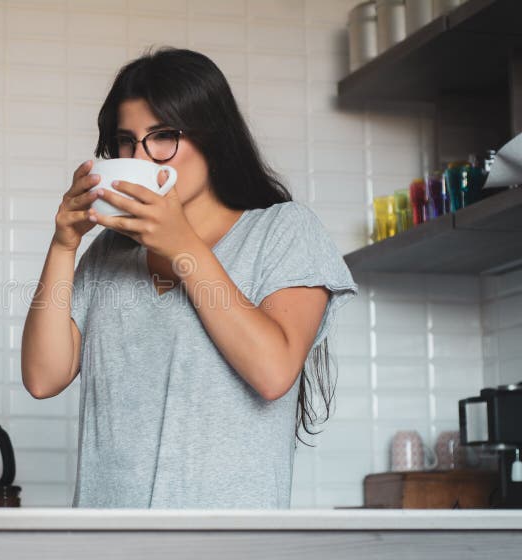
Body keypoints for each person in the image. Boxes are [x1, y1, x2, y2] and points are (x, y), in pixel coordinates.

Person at [20, 47, 358, 509]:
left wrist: (182, 246)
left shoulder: (283, 231)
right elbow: (43, 377)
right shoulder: (110, 252)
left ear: (212, 138)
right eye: (126, 141)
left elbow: (273, 371)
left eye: (163, 136)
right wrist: (63, 244)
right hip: (104, 543)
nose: (143, 158)